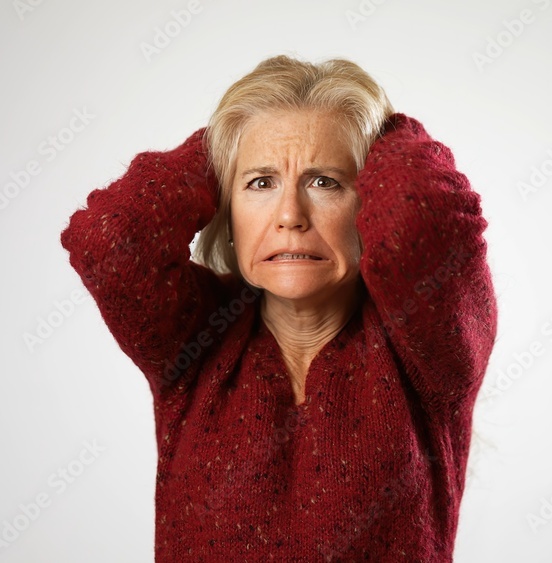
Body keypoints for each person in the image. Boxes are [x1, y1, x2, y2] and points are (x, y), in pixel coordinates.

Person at [60, 54, 497, 561]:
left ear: (368, 199)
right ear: (226, 204)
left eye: (325, 181)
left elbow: (422, 215)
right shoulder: (195, 336)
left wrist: (384, 128)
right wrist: (229, 141)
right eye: (260, 184)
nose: (290, 215)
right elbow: (108, 238)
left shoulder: (430, 345)